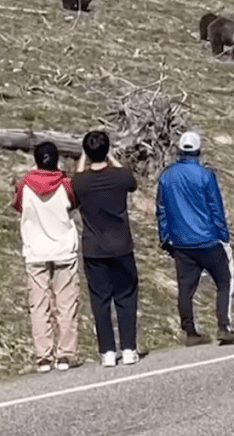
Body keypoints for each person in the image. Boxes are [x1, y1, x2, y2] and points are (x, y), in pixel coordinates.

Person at [156, 131, 234, 346]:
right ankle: (224, 325)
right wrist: (224, 236)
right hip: (208, 239)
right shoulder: (205, 175)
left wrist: (165, 237)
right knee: (224, 281)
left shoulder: (167, 176)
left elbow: (162, 210)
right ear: (198, 150)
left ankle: (190, 331)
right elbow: (216, 208)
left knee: (185, 288)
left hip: (182, 242)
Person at [72, 131, 141, 368]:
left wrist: (84, 156)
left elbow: (77, 177)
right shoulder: (121, 176)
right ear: (108, 150)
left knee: (100, 300)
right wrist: (111, 156)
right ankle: (129, 348)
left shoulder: (80, 182)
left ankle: (107, 351)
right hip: (121, 245)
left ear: (87, 153)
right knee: (126, 296)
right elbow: (131, 181)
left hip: (94, 248)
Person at [12, 142, 81, 373]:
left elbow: (18, 206)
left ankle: (43, 356)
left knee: (39, 305)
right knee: (66, 303)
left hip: (35, 251)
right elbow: (74, 204)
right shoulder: (65, 184)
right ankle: (65, 354)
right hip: (63, 248)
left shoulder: (25, 185)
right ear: (56, 160)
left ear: (37, 160)